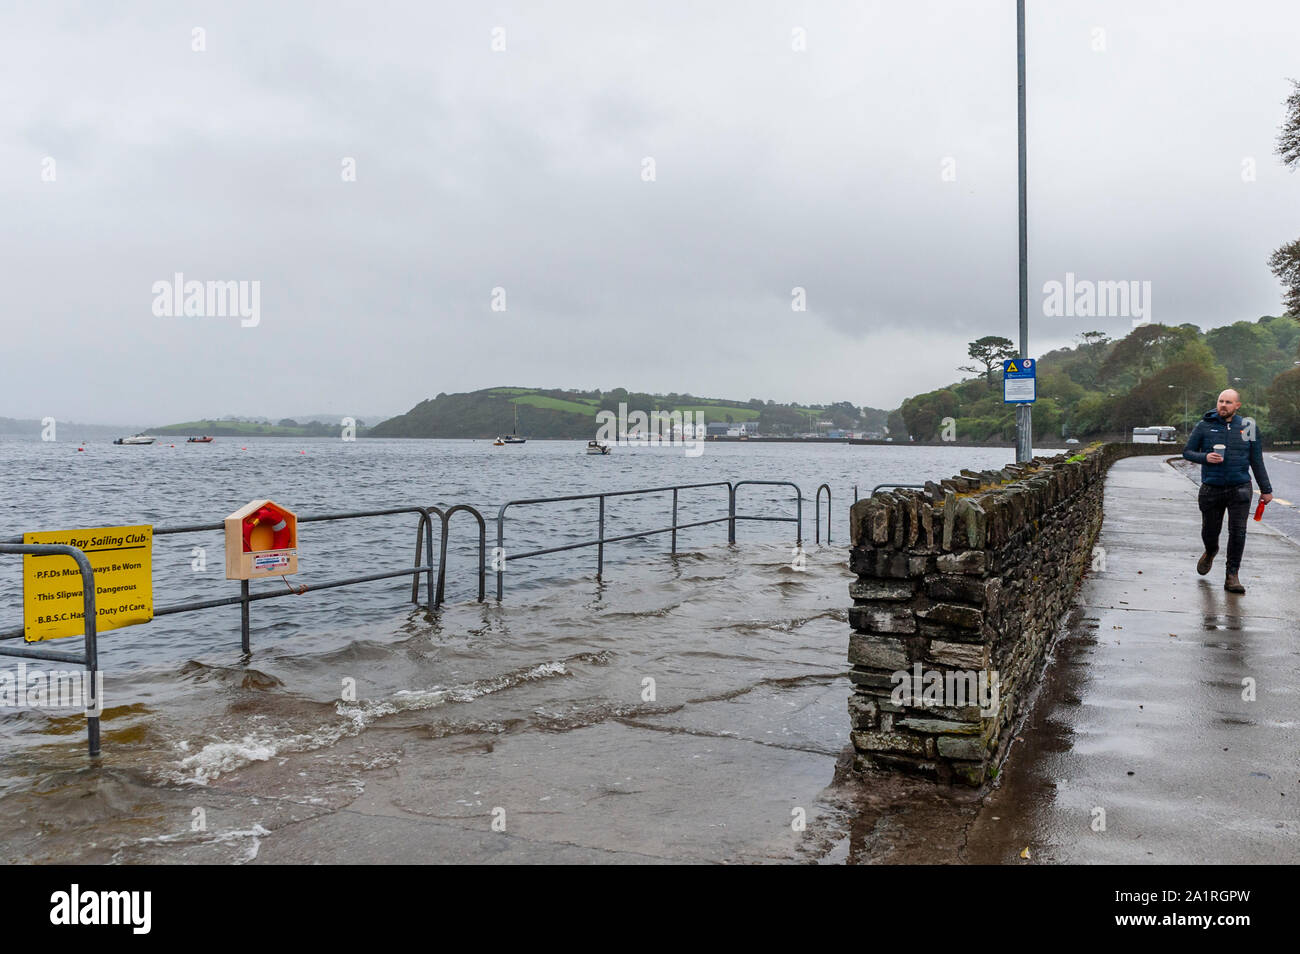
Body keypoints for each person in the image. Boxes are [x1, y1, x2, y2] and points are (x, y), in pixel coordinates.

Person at [1181, 389, 1273, 593]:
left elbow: (1256, 460)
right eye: (1221, 401)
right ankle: (1211, 550)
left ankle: (1232, 576)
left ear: (1237, 405)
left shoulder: (1247, 426)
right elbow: (1187, 452)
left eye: (1228, 402)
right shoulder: (1205, 425)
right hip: (1211, 488)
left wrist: (1266, 490)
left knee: (1238, 532)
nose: (1223, 405)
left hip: (1240, 488)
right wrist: (1205, 457)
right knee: (1210, 531)